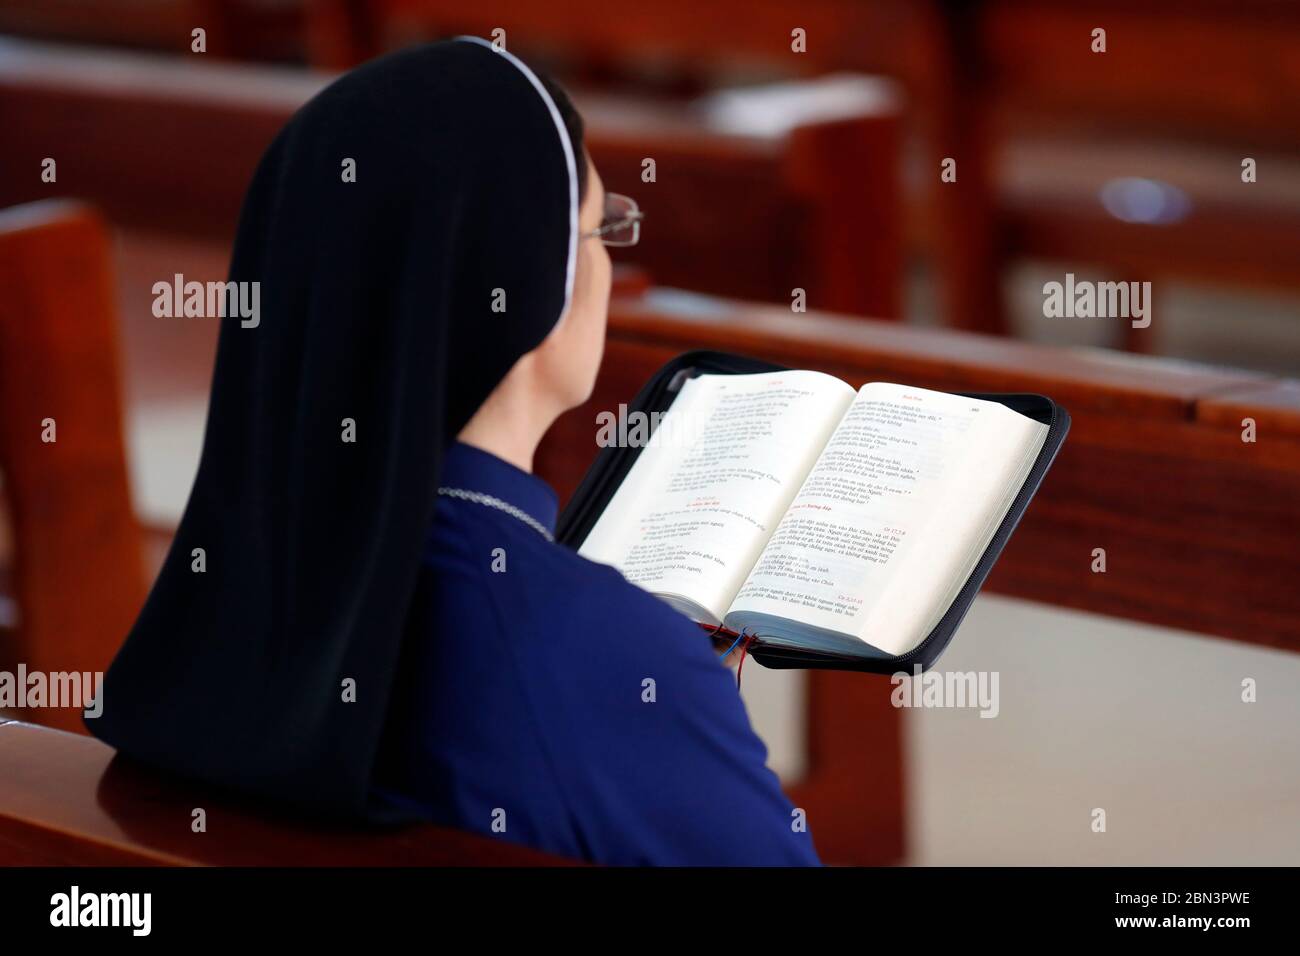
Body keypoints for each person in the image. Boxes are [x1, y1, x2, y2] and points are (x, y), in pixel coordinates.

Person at [89, 37, 818, 866]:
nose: (613, 264)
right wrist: (662, 698)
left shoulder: (218, 603)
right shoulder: (602, 658)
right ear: (535, 286)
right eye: (600, 229)